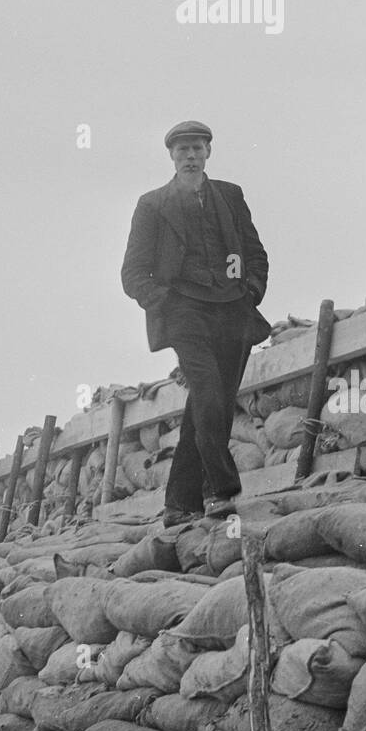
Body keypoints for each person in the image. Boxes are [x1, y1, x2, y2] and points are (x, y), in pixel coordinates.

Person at [120, 119, 270, 525]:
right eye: (182, 150)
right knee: (207, 393)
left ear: (208, 153)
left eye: (197, 149)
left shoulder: (230, 195)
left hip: (232, 310)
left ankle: (179, 504)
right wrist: (165, 302)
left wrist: (250, 290)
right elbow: (133, 272)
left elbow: (255, 253)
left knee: (213, 403)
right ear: (171, 156)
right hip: (185, 312)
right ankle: (220, 491)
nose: (190, 156)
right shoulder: (152, 205)